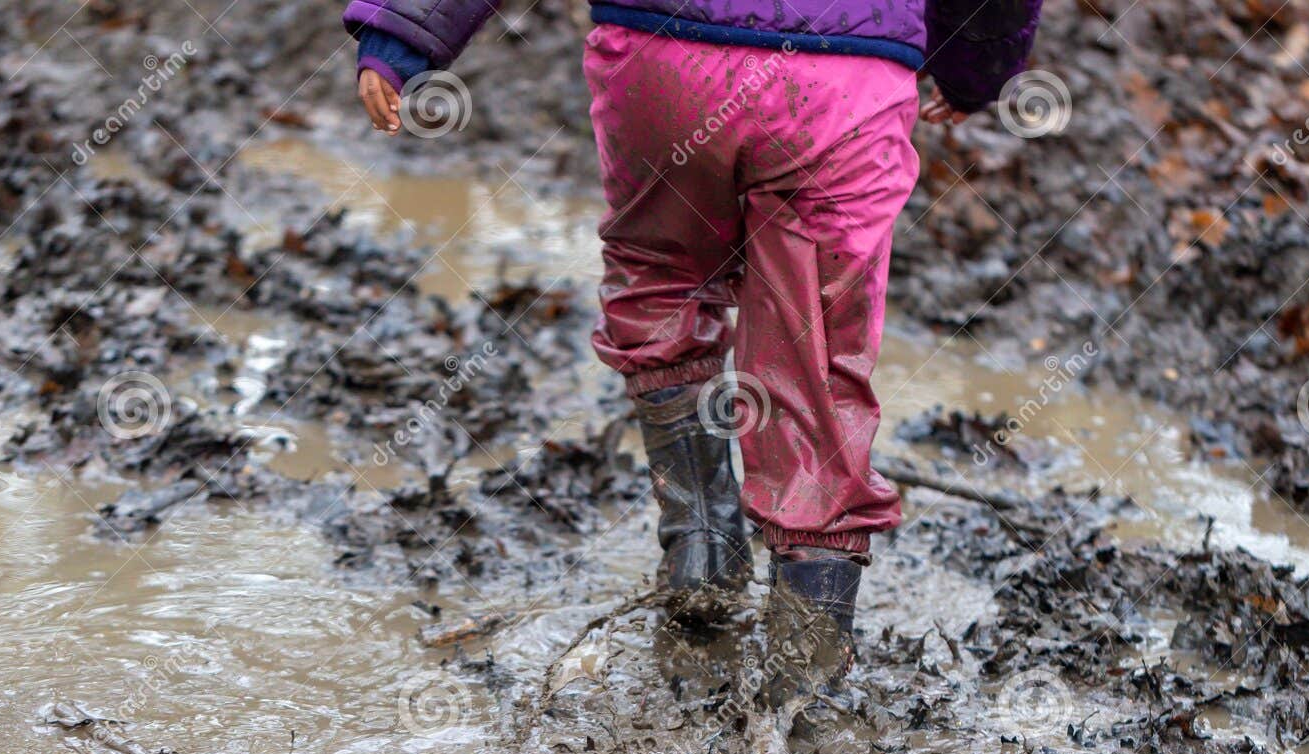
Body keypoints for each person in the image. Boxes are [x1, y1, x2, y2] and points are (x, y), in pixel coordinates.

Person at [346, 0, 1042, 660]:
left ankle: (701, 552)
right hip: (844, 83)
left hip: (665, 57)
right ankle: (807, 677)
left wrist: (405, 33)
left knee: (661, 280)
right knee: (818, 355)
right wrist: (975, 63)